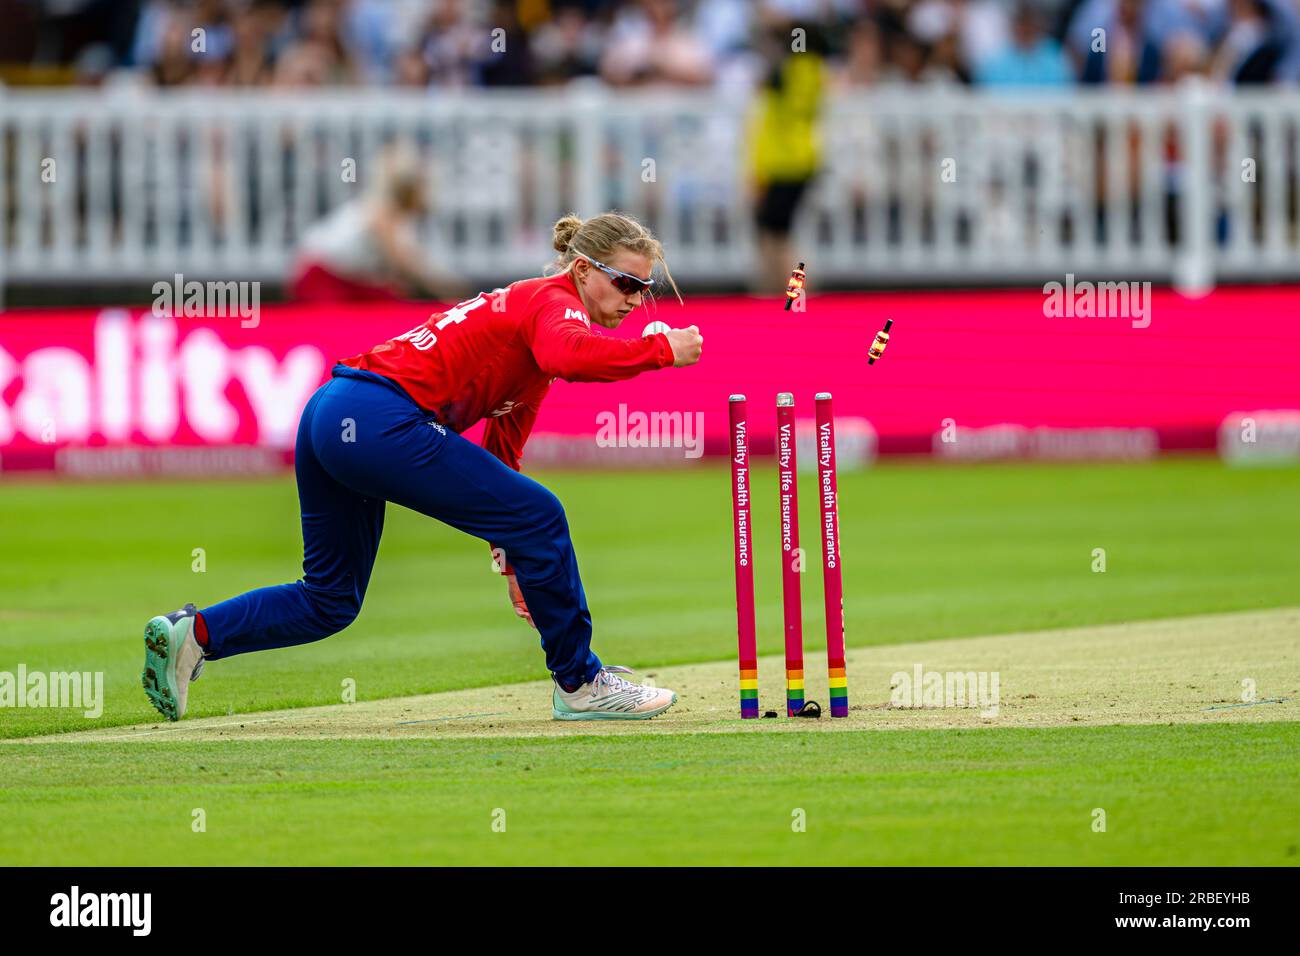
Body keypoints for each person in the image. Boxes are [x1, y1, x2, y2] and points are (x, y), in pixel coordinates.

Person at [141, 212, 704, 722]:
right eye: (626, 282)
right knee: (542, 513)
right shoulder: (552, 304)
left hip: (331, 415)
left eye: (644, 289)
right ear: (583, 269)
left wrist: (515, 567)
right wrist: (662, 351)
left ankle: (196, 634)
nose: (635, 300)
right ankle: (581, 685)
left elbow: (501, 459)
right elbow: (571, 356)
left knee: (329, 601)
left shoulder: (537, 333)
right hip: (375, 419)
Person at [289, 143, 465, 302]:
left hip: (347, 277)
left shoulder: (395, 217)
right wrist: (444, 287)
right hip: (322, 275)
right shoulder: (382, 213)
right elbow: (404, 261)